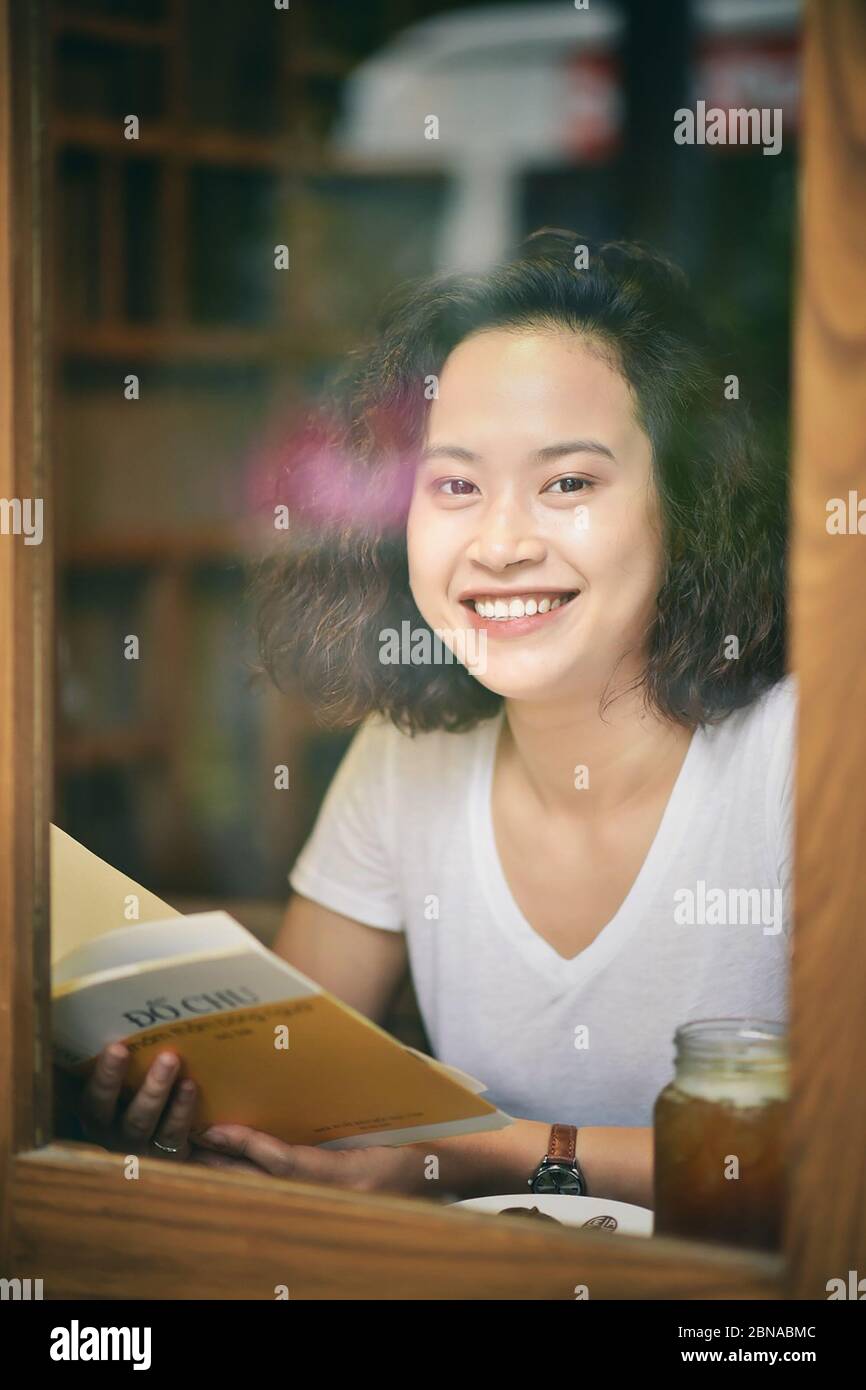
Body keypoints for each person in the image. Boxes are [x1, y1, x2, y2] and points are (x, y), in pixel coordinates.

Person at [74, 229, 793, 1209]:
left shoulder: (804, 756)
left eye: (567, 482)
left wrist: (485, 1153)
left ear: (687, 503)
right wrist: (188, 1110)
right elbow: (293, 1081)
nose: (498, 543)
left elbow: (833, 1156)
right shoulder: (402, 757)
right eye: (453, 485)